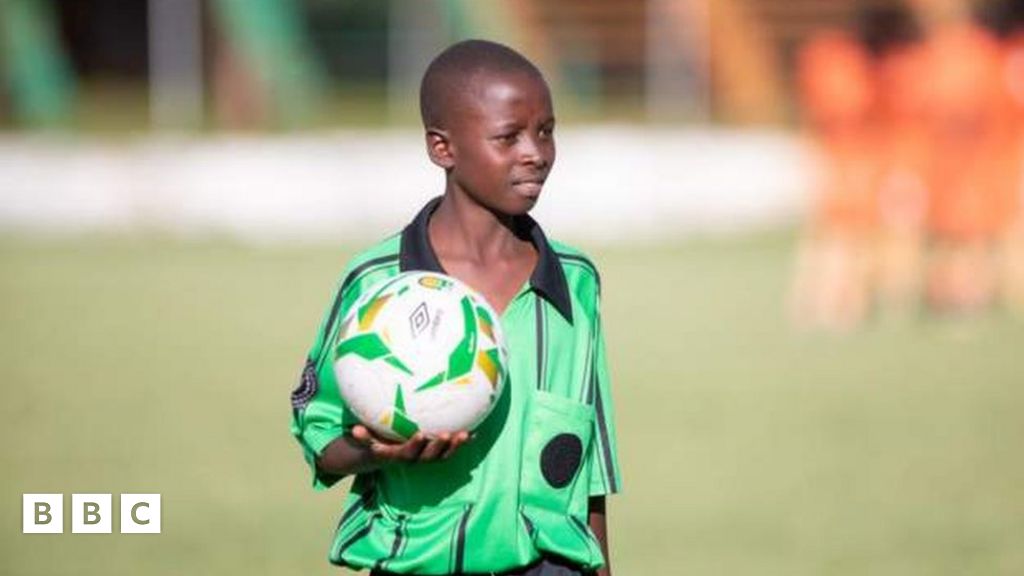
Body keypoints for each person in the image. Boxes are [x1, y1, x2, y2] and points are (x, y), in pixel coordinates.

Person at [289, 39, 621, 576]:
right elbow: (319, 434)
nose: (535, 151)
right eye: (508, 136)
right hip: (417, 565)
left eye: (546, 130)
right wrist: (375, 453)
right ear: (443, 148)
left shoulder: (575, 281)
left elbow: (589, 467)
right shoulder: (376, 283)